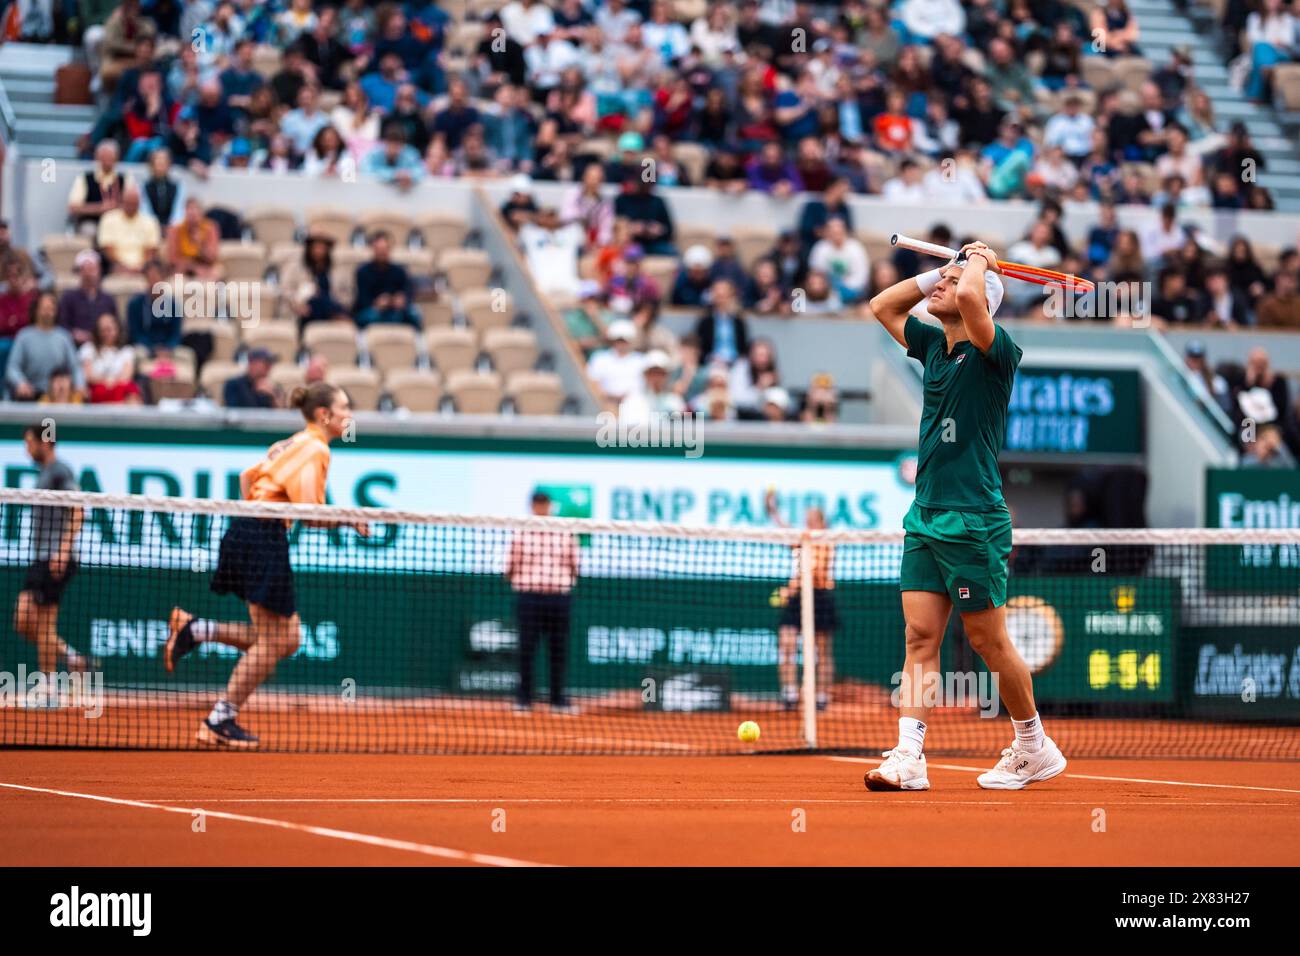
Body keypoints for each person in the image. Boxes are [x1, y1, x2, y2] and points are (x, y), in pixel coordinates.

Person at [864, 240, 1066, 791]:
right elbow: (883, 305)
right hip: (925, 514)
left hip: (973, 517)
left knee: (988, 642)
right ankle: (909, 756)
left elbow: (975, 299)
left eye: (949, 286)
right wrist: (946, 269)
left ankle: (1033, 744)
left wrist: (976, 261)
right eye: (941, 284)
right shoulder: (932, 343)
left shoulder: (994, 350)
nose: (940, 289)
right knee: (919, 637)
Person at [164, 383, 369, 747]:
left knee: (287, 640)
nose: (350, 415)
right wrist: (348, 518)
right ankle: (219, 719)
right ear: (324, 415)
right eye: (345, 407)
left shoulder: (288, 443)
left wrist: (256, 517)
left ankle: (195, 630)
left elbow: (247, 477)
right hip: (262, 536)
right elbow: (309, 514)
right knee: (276, 641)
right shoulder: (317, 448)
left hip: (246, 529)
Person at [13, 425, 93, 684]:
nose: (27, 448)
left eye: (30, 442)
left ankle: (48, 689)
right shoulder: (44, 472)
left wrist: (63, 550)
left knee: (46, 625)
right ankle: (72, 659)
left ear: (44, 443)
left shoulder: (61, 471)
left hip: (56, 557)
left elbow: (78, 510)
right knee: (23, 621)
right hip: (40, 559)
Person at [504, 490, 579, 714]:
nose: (541, 508)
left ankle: (558, 700)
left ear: (550, 506)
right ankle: (524, 699)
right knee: (526, 649)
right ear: (531, 506)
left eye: (544, 504)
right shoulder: (521, 533)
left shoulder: (564, 532)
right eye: (537, 504)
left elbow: (575, 566)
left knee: (558, 650)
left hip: (558, 598)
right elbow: (509, 567)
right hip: (529, 597)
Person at [766, 490, 836, 711]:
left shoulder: (827, 542)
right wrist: (773, 510)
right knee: (786, 644)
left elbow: (814, 572)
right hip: (797, 599)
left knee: (822, 651)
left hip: (819, 597)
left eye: (813, 520)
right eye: (807, 521)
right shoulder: (801, 539)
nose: (809, 524)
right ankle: (789, 695)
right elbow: (786, 531)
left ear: (822, 523)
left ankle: (822, 698)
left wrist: (790, 588)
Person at [9, 291, 86, 401]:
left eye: (51, 309)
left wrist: (80, 385)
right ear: (36, 310)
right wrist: (20, 383)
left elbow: (75, 367)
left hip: (59, 397)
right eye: (44, 308)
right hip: (32, 394)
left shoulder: (64, 337)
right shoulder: (24, 336)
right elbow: (13, 367)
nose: (47, 312)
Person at [353, 231, 420, 328]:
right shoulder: (363, 272)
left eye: (385, 249)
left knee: (414, 313)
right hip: (373, 310)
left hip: (396, 311)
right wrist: (377, 303)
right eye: (379, 249)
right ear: (373, 249)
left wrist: (401, 299)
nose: (382, 252)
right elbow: (362, 299)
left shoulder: (400, 271)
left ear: (390, 249)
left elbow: (408, 291)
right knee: (371, 316)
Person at [96, 185, 161, 276]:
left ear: (139, 203)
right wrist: (123, 266)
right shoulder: (109, 219)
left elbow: (151, 251)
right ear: (122, 201)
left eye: (134, 204)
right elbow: (108, 249)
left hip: (143, 267)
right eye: (128, 203)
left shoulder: (150, 222)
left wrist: (141, 266)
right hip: (116, 265)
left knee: (154, 270)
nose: (131, 207)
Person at [80, 312, 142, 404]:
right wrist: (105, 381)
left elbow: (127, 376)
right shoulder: (88, 348)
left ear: (117, 329)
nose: (107, 333)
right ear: (97, 331)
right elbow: (88, 375)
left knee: (131, 392)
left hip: (120, 387)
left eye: (110, 329)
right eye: (103, 329)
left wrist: (113, 381)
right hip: (97, 388)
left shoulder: (126, 350)